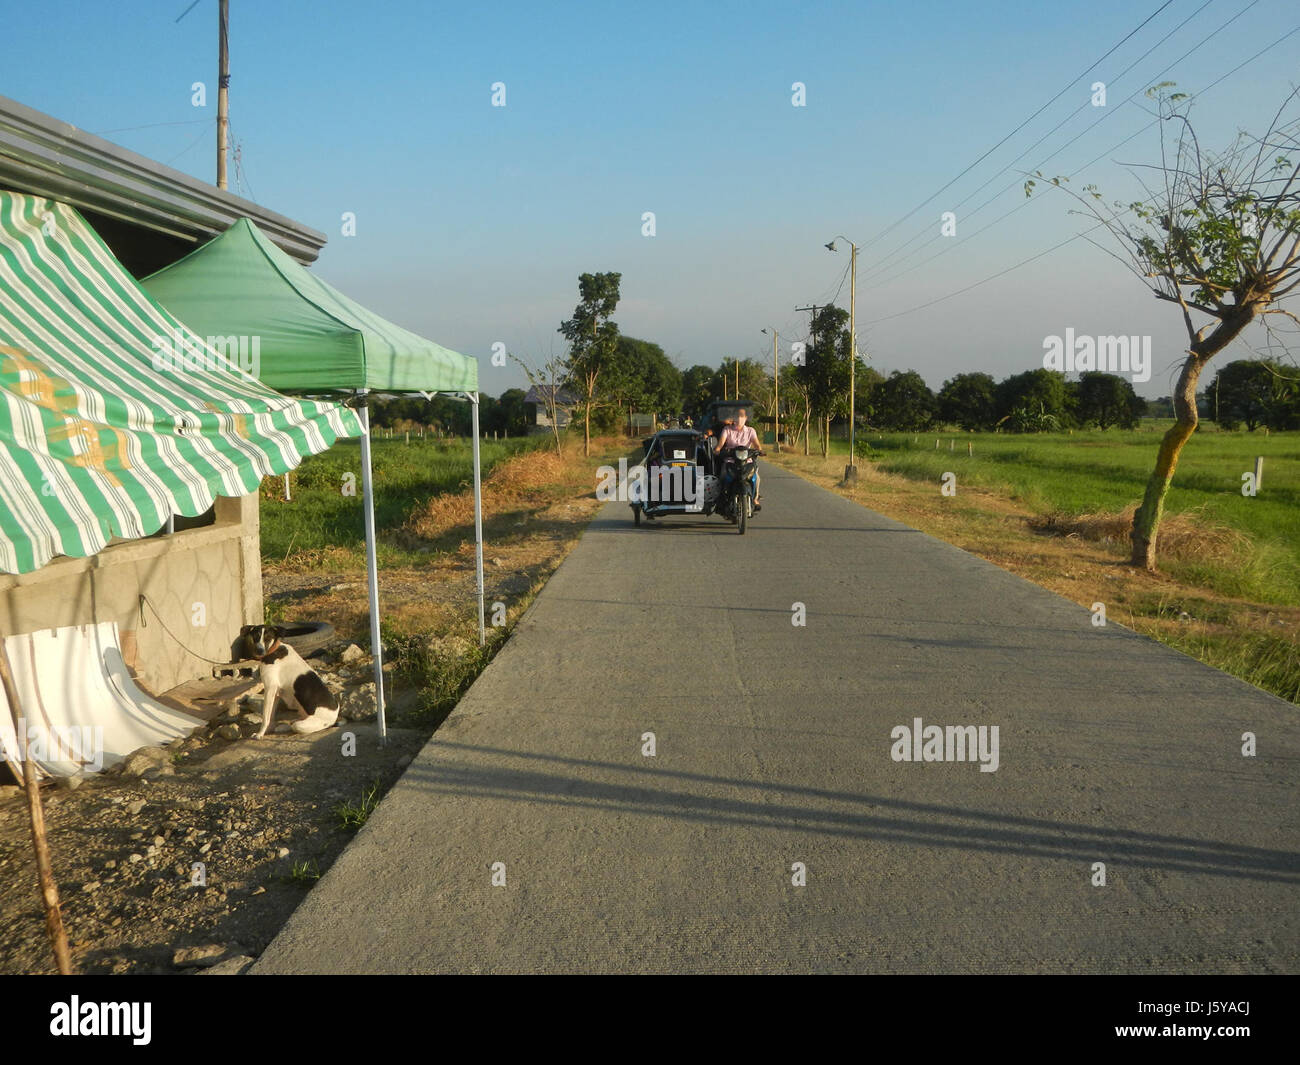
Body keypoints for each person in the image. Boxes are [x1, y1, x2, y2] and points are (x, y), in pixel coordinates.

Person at [709, 408, 763, 510]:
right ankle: (721, 499)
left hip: (747, 461)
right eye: (737, 416)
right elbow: (720, 444)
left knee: (756, 477)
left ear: (746, 418)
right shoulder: (727, 430)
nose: (739, 419)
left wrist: (759, 451)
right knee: (722, 476)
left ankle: (755, 498)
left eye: (741, 416)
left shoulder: (751, 431)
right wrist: (717, 450)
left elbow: (757, 445)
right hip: (731, 461)